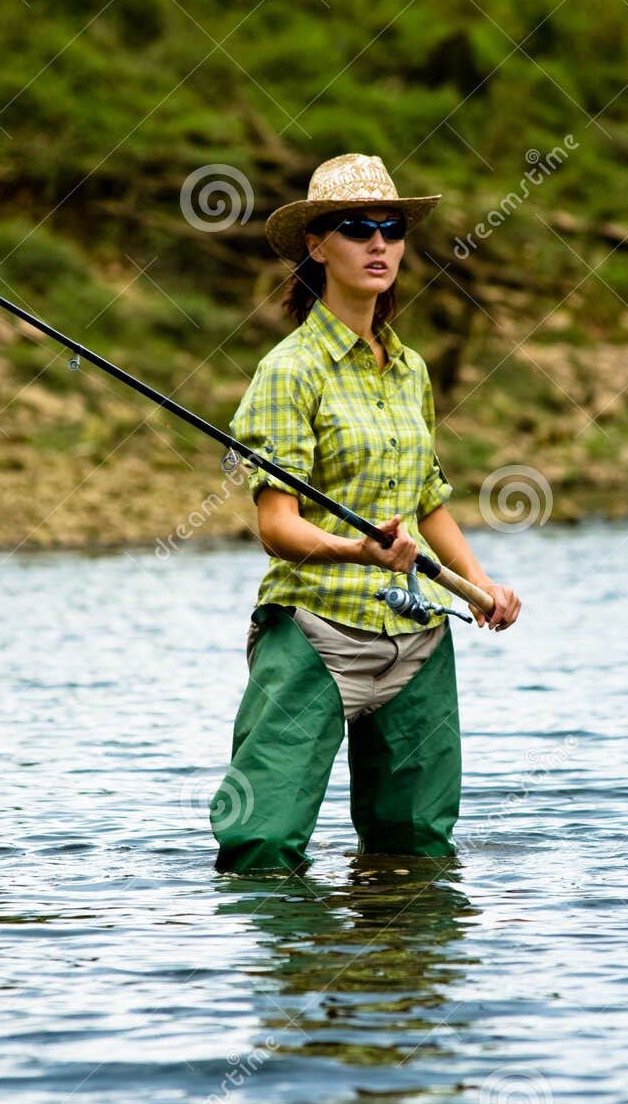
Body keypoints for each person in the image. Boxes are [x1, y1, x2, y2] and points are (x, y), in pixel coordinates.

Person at [210, 152, 521, 874]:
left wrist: (479, 585)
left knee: (415, 854)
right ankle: (292, 981)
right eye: (357, 228)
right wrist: (359, 552)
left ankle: (396, 981)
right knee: (260, 846)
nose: (379, 243)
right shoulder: (287, 371)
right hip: (314, 636)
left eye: (391, 228)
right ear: (317, 248)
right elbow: (275, 528)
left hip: (415, 640)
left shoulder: (409, 369)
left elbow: (428, 503)